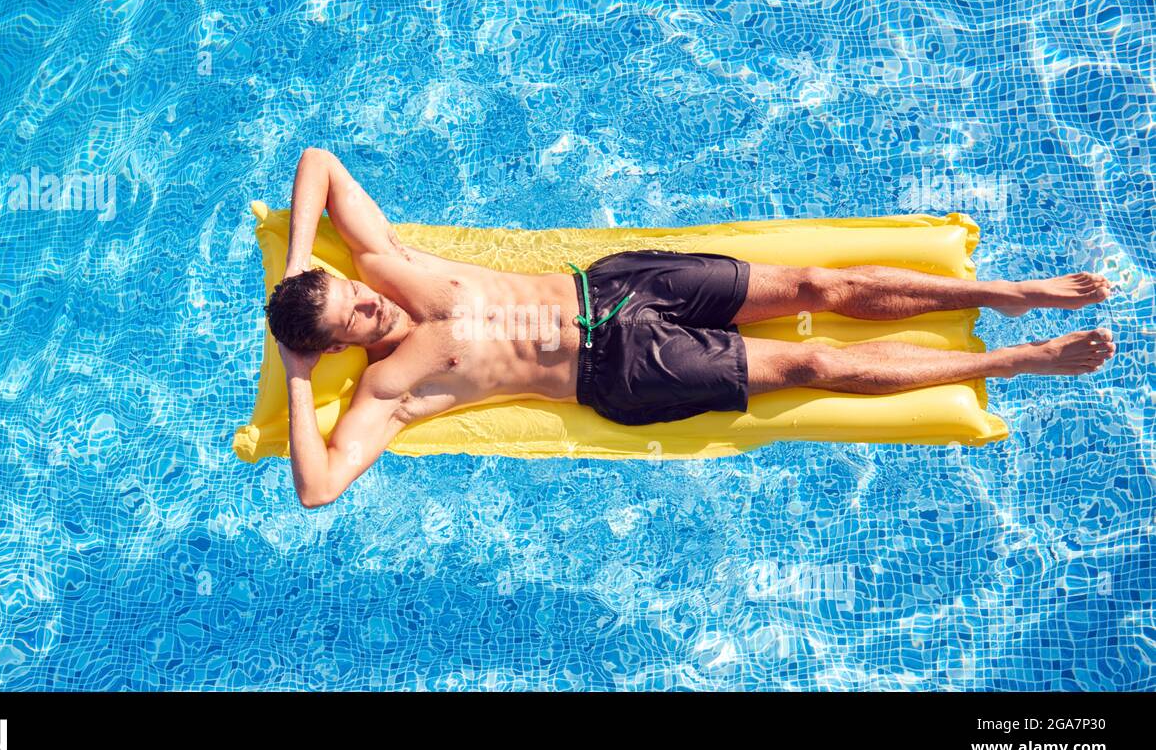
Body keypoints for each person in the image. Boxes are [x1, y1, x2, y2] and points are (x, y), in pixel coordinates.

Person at [267, 148, 1115, 507]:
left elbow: (318, 163)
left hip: (618, 284)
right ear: (341, 343)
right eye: (358, 319)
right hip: (622, 368)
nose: (375, 306)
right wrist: (299, 375)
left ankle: (1006, 290)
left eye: (354, 293)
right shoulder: (388, 384)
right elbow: (318, 487)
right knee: (813, 359)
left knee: (821, 282)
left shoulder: (384, 263)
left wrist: (305, 258)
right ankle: (1015, 359)